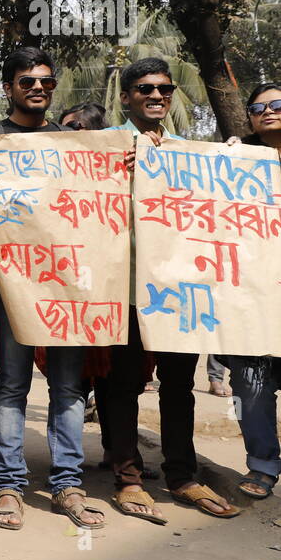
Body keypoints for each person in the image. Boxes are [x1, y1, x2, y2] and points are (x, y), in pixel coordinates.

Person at [0, 45, 103, 531]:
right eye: (27, 81)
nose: (38, 87)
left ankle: (67, 484)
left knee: (67, 386)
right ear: (8, 88)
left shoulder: (72, 143)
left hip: (66, 283)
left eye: (45, 80)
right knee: (13, 384)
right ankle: (8, 486)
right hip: (13, 280)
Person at [101, 57, 238, 523]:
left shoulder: (192, 153)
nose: (156, 96)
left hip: (181, 292)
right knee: (122, 386)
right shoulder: (104, 150)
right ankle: (129, 478)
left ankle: (182, 476)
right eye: (144, 89)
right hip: (124, 288)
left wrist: (235, 160)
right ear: (126, 97)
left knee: (179, 386)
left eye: (164, 88)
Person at [222, 82, 281, 499]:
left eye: (278, 104)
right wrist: (224, 159)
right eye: (257, 107)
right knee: (250, 385)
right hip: (252, 299)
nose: (267, 112)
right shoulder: (236, 158)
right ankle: (262, 466)